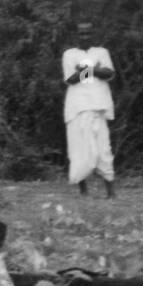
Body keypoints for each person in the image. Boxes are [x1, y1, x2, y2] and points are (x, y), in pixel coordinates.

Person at [62, 19, 115, 197]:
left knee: (103, 149)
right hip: (78, 107)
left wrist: (85, 69)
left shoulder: (102, 52)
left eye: (87, 33)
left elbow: (109, 73)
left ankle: (110, 191)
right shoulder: (69, 54)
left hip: (98, 105)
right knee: (79, 149)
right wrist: (93, 69)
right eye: (81, 33)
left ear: (92, 35)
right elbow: (71, 79)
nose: (84, 36)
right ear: (75, 35)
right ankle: (83, 190)